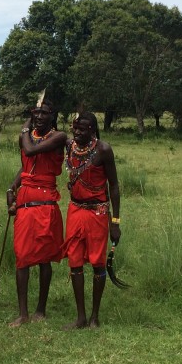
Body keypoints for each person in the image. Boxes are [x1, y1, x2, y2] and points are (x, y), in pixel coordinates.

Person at [6, 98, 67, 327]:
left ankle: (41, 309)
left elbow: (30, 152)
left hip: (46, 203)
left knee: (44, 258)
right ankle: (23, 314)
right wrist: (12, 187)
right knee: (22, 257)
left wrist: (23, 128)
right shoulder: (30, 137)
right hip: (25, 202)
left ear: (52, 116)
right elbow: (25, 166)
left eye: (44, 113)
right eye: (36, 112)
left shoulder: (57, 137)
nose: (39, 117)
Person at [62, 111, 121, 329]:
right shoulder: (69, 146)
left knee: (97, 263)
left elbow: (114, 186)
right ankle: (81, 317)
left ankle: (95, 317)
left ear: (92, 129)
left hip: (98, 212)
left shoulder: (103, 150)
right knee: (75, 261)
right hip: (75, 210)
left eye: (83, 128)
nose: (77, 132)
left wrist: (115, 221)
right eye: (75, 127)